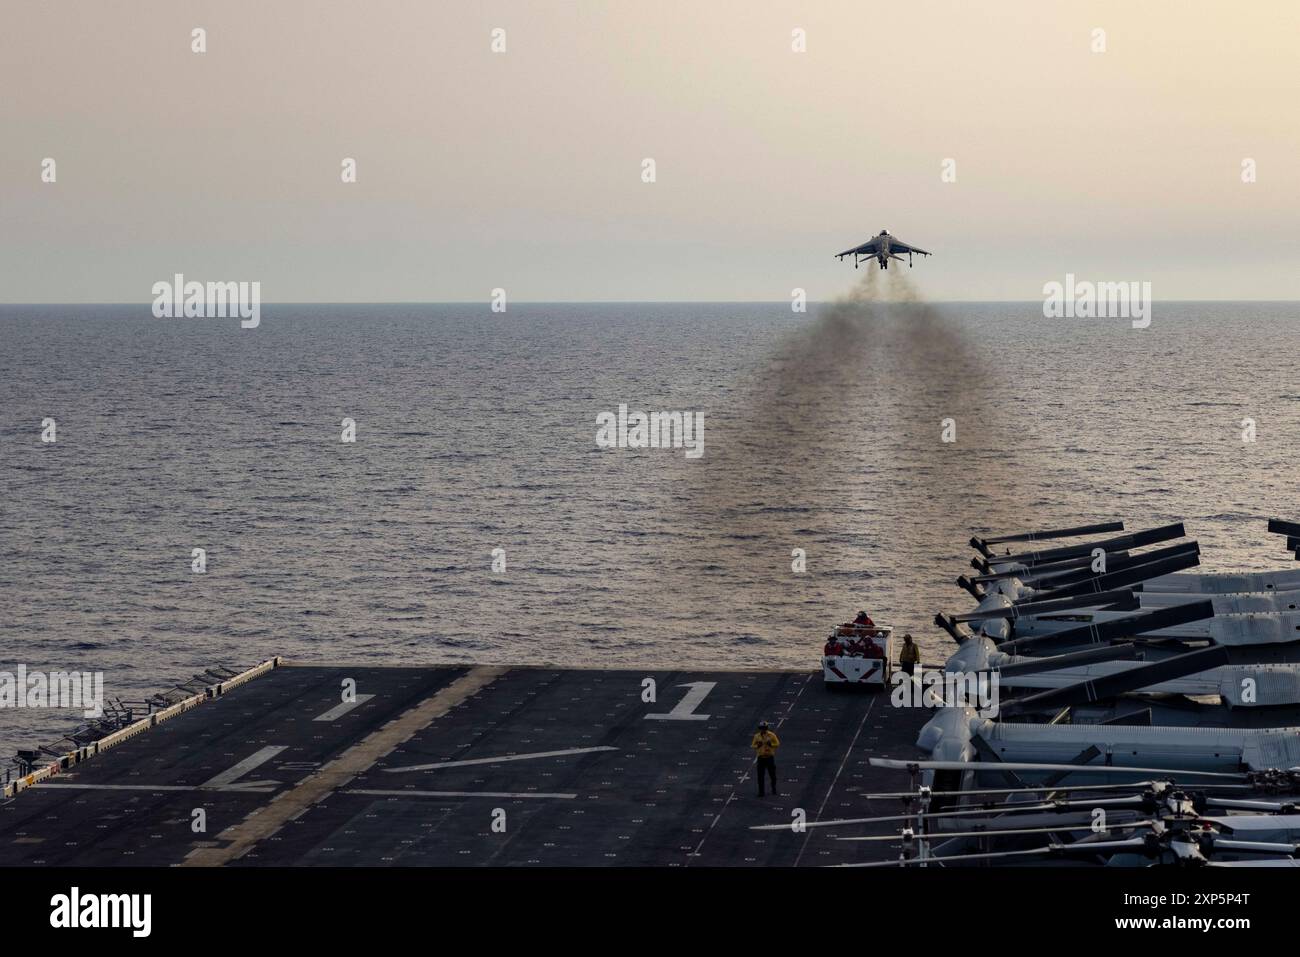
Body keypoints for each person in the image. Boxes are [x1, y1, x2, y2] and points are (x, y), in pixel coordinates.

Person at [751, 721, 780, 797]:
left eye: (764, 728)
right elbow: (753, 745)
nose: (763, 730)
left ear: (766, 728)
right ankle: (761, 792)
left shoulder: (772, 735)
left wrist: (771, 744)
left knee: (772, 775)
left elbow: (777, 744)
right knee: (760, 776)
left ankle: (773, 788)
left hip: (769, 758)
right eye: (761, 728)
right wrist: (758, 746)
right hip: (761, 758)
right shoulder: (756, 736)